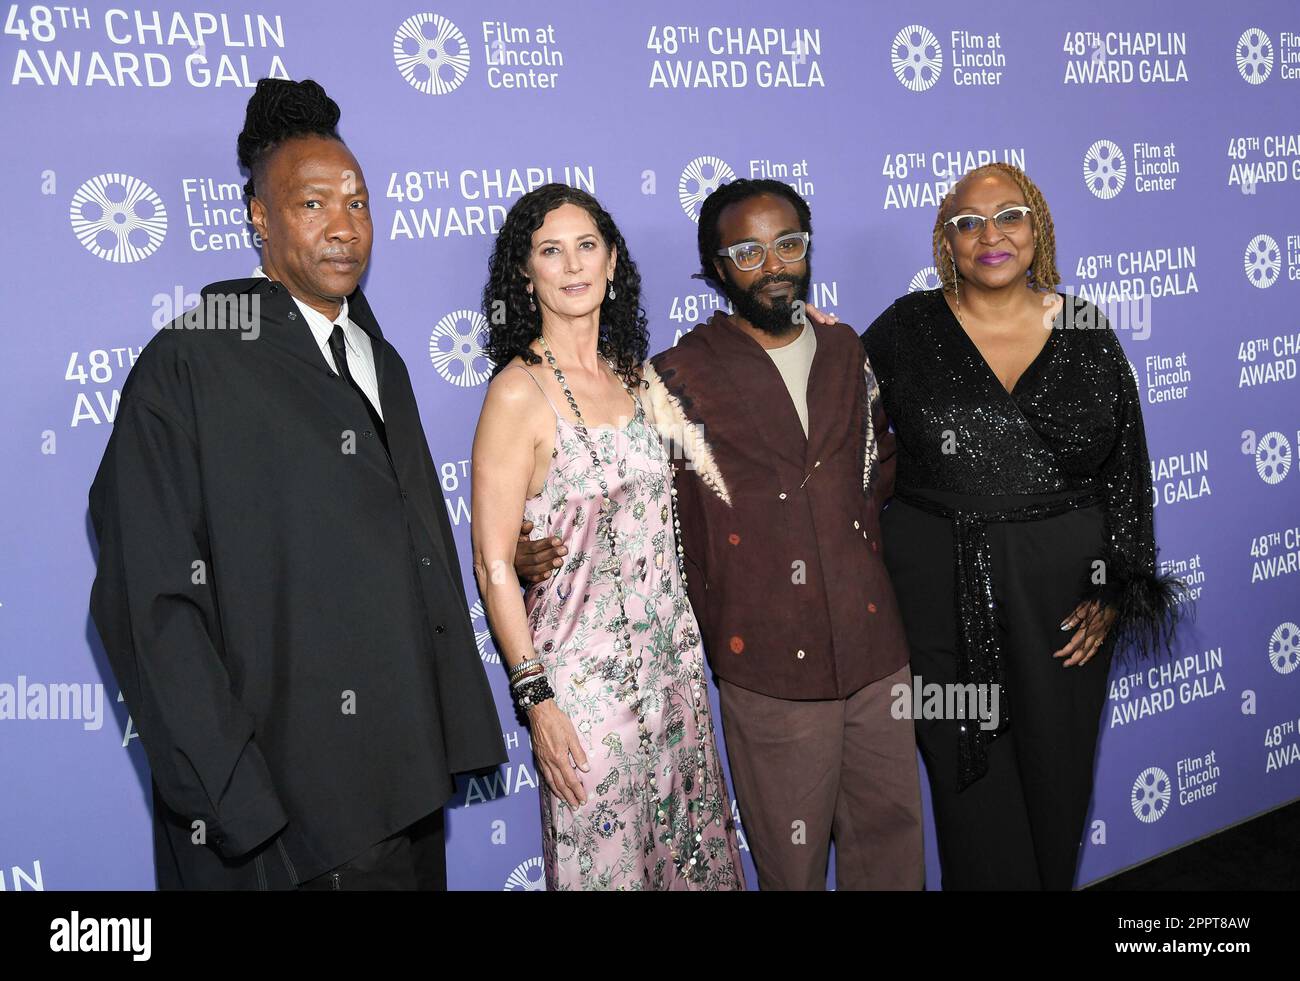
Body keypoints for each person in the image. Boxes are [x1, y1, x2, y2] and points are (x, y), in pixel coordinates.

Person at [88, 78, 505, 891]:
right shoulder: (190, 362)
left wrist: (451, 732)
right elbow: (152, 602)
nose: (344, 227)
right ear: (258, 217)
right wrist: (238, 800)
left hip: (405, 791)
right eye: (313, 203)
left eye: (358, 202)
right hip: (284, 824)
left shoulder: (375, 358)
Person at [516, 180, 923, 890]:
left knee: (893, 855)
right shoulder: (674, 377)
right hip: (767, 668)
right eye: (748, 250)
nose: (774, 265)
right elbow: (618, 492)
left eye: (789, 244)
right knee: (790, 867)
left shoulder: (845, 347)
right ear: (714, 266)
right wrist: (530, 548)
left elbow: (880, 464)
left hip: (875, 654)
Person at [861, 162, 1185, 890]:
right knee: (966, 778)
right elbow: (844, 440)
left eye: (1009, 215)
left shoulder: (1086, 329)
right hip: (938, 584)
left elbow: (1125, 468)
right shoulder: (906, 329)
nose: (990, 235)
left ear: (1037, 229)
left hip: (1064, 593)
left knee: (1056, 770)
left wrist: (1116, 586)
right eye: (968, 222)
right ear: (948, 242)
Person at [471, 184, 744, 890]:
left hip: (676, 678)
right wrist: (537, 698)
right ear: (525, 274)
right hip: (585, 695)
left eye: (586, 246)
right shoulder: (516, 392)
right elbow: (494, 561)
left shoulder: (638, 379)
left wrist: (809, 327)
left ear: (613, 261)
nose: (572, 266)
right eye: (550, 251)